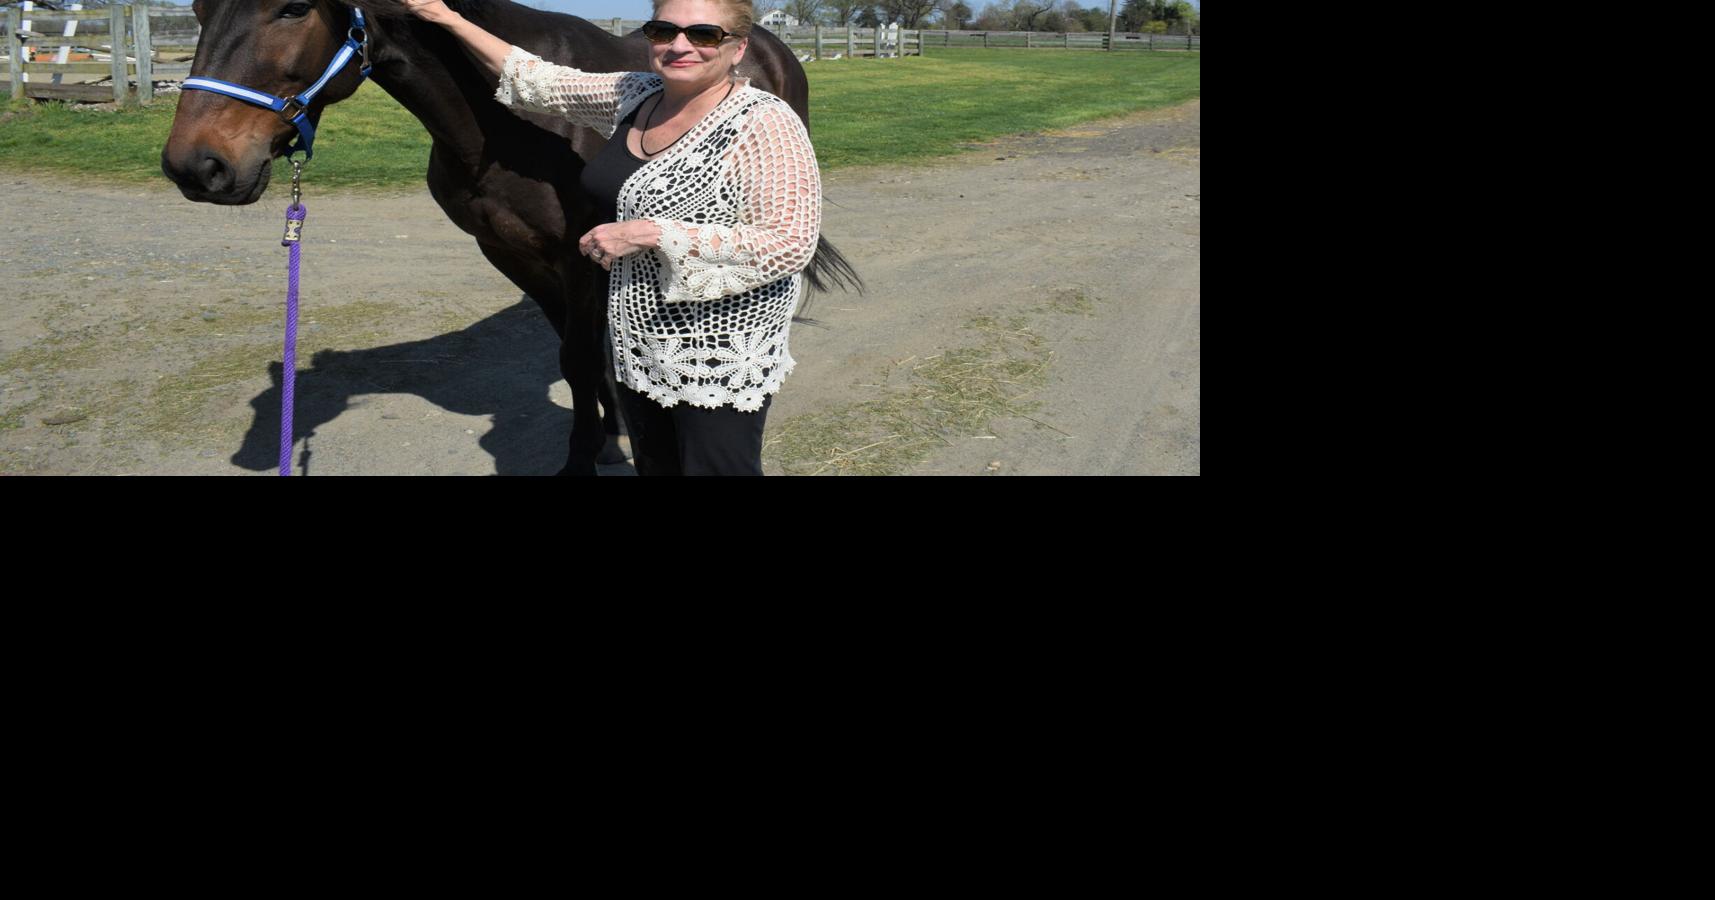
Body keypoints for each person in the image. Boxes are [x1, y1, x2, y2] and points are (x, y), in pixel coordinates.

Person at [404, 0, 822, 476]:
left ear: (737, 47)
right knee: (655, 467)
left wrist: (653, 233)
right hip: (639, 347)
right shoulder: (637, 96)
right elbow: (535, 78)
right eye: (664, 31)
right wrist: (447, 16)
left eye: (704, 35)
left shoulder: (764, 122)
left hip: (717, 354)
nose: (680, 45)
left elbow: (790, 242)